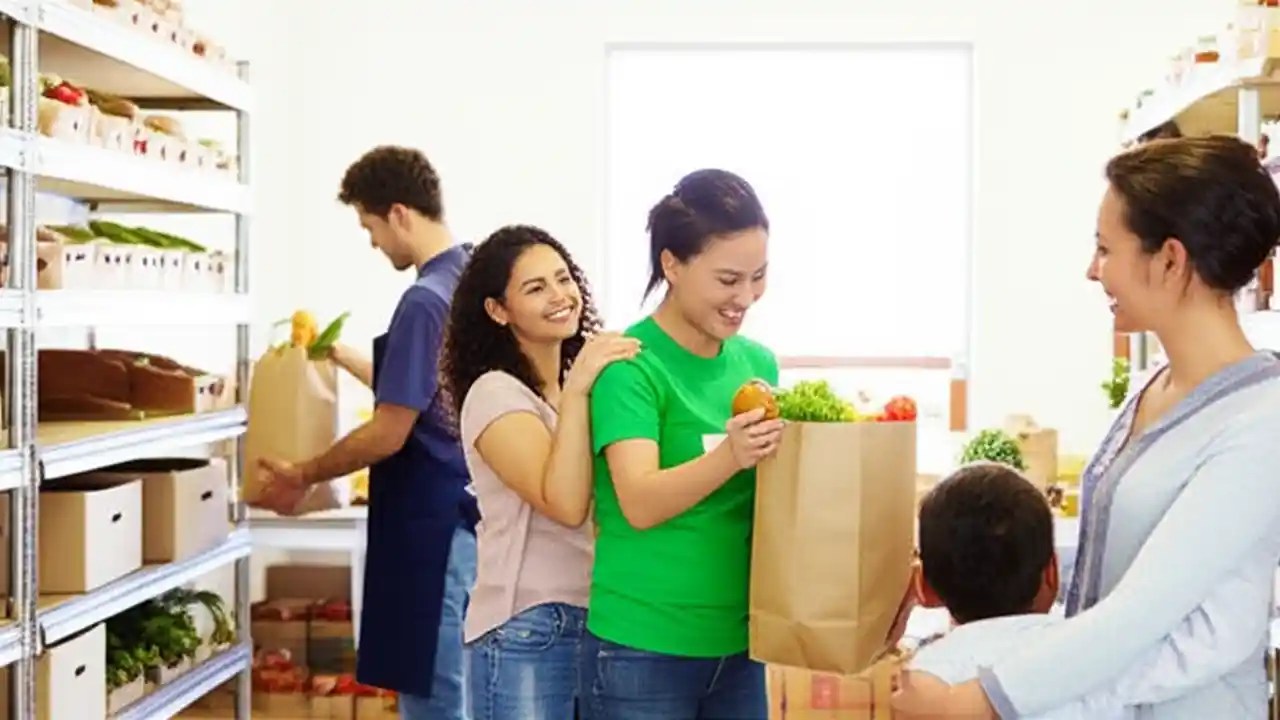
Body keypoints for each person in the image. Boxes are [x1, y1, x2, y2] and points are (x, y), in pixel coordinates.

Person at [893, 135, 1280, 718]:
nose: (1092, 271)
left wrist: (973, 702)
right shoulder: (1153, 384)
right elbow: (1115, 560)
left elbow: (1141, 613)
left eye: (1105, 249)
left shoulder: (1258, 424)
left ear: (1170, 260)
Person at [254, 146, 479, 720]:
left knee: (436, 694)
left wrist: (303, 473)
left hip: (431, 531)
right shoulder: (471, 276)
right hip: (469, 519)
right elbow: (428, 391)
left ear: (399, 214)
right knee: (468, 686)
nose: (374, 243)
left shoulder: (423, 301)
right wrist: (348, 360)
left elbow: (390, 431)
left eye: (370, 226)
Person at [577, 168, 784, 719]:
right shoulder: (630, 367)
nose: (746, 297)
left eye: (758, 277)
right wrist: (728, 457)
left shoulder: (757, 365)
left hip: (741, 643)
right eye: (727, 279)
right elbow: (639, 502)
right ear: (672, 264)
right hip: (644, 648)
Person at [438, 225, 640, 719]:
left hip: (596, 616)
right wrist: (580, 391)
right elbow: (566, 504)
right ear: (497, 310)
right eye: (536, 287)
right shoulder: (495, 394)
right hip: (527, 626)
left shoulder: (573, 387)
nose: (560, 296)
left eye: (563, 278)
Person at [912, 461, 1244, 719]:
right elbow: (1210, 643)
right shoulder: (1095, 658)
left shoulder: (921, 679)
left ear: (925, 588)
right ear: (1052, 574)